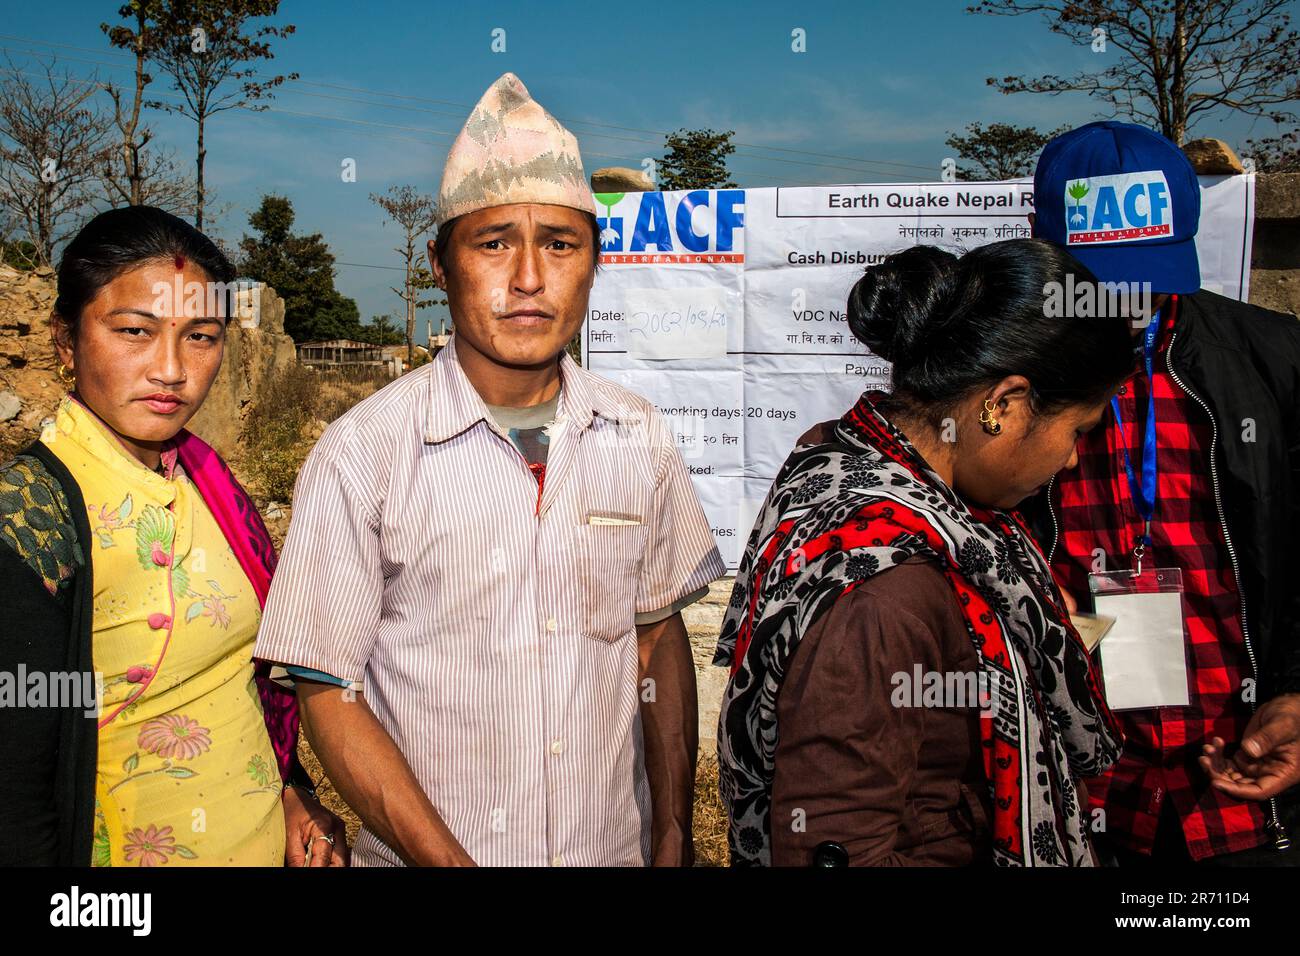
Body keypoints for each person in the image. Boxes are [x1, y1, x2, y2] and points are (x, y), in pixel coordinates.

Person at [254, 73, 725, 867]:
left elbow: (654, 636)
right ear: (441, 265)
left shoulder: (638, 434)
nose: (530, 277)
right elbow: (328, 690)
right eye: (494, 242)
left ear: (595, 264)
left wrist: (673, 833)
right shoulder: (362, 453)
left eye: (561, 244)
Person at [715, 239, 1131, 866]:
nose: (1073, 458)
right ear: (1004, 405)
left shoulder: (855, 462)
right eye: (1077, 431)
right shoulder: (890, 592)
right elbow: (836, 839)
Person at [0, 206, 346, 867]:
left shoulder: (209, 485)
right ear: (66, 340)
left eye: (201, 337)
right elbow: (15, 797)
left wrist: (292, 793)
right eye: (135, 331)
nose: (171, 369)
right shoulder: (31, 519)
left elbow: (239, 686)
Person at [1024, 120, 1300, 866]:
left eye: (1148, 269)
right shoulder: (1006, 378)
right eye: (1099, 280)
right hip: (1073, 781)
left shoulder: (1275, 359)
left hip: (1243, 778)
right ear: (1040, 245)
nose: (1128, 299)